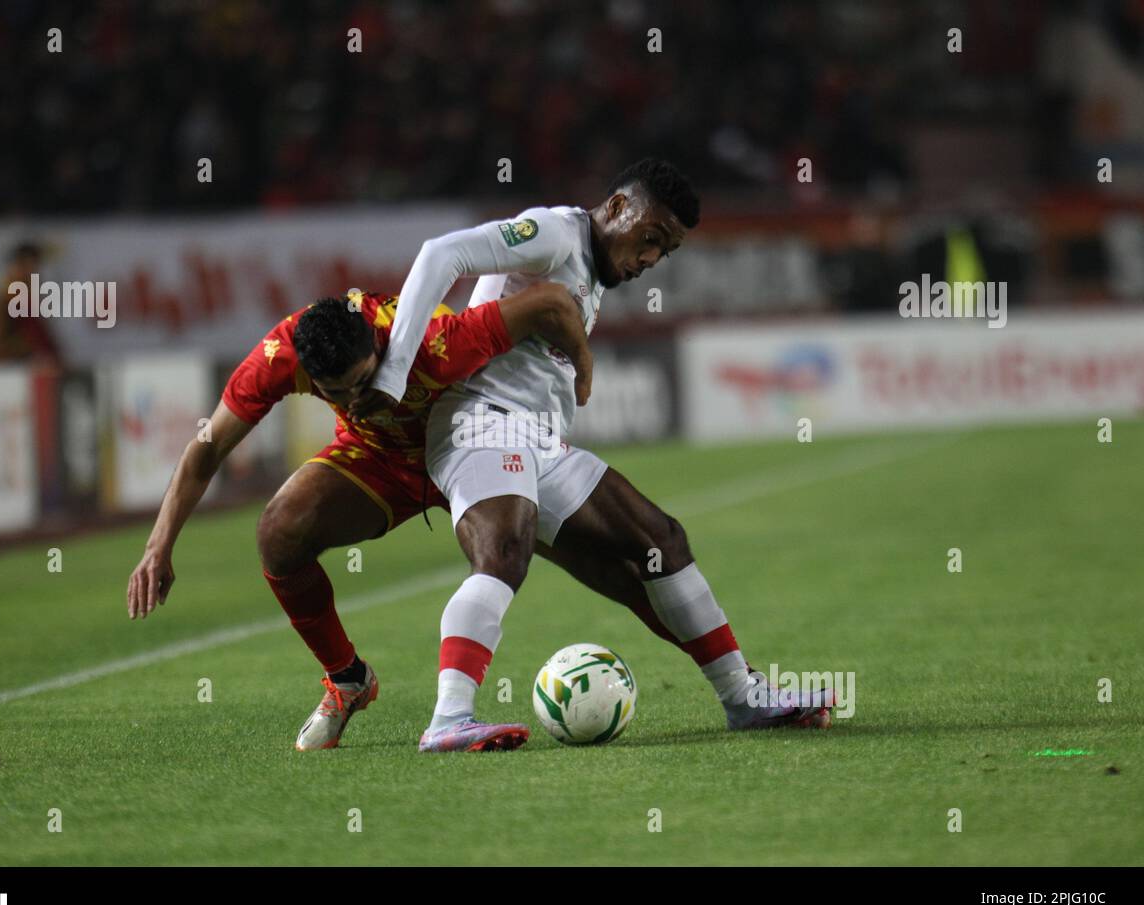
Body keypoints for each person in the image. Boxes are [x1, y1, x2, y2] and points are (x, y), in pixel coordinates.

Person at [358, 158, 833, 753]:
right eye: (650, 238)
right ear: (615, 208)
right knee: (504, 550)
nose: (650, 259)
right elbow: (440, 253)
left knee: (662, 542)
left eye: (665, 251)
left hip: (539, 442)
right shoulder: (554, 233)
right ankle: (449, 718)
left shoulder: (590, 271)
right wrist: (396, 369)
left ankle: (742, 698)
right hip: (480, 423)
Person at [126, 283, 591, 751]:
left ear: (375, 343)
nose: (353, 398)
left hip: (470, 444)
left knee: (602, 550)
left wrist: (577, 373)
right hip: (379, 459)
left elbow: (542, 308)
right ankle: (347, 678)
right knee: (278, 531)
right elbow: (205, 451)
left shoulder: (430, 334)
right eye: (336, 391)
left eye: (363, 380)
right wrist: (157, 548)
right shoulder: (280, 354)